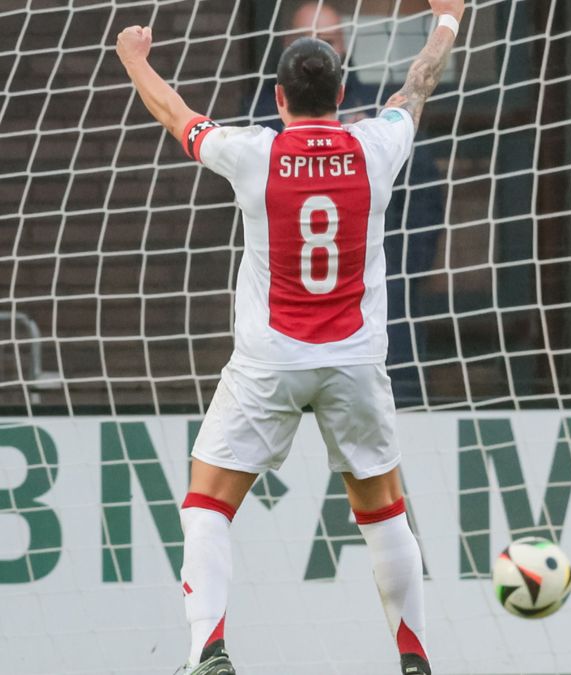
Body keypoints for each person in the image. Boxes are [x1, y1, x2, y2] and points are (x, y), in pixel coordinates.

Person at [115, 0, 464, 672]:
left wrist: (135, 59)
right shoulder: (376, 144)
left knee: (207, 503)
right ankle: (414, 656)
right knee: (384, 511)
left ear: (278, 98)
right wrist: (447, 21)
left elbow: (177, 116)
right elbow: (416, 86)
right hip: (354, 360)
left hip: (270, 360)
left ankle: (208, 649)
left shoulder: (255, 152)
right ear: (343, 93)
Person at [247, 2, 444, 404]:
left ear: (345, 47)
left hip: (376, 289)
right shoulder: (263, 117)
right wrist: (450, 21)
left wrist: (405, 268)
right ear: (285, 46)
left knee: (393, 397)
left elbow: (426, 192)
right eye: (306, 40)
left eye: (328, 40)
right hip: (287, 300)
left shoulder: (377, 111)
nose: (318, 51)